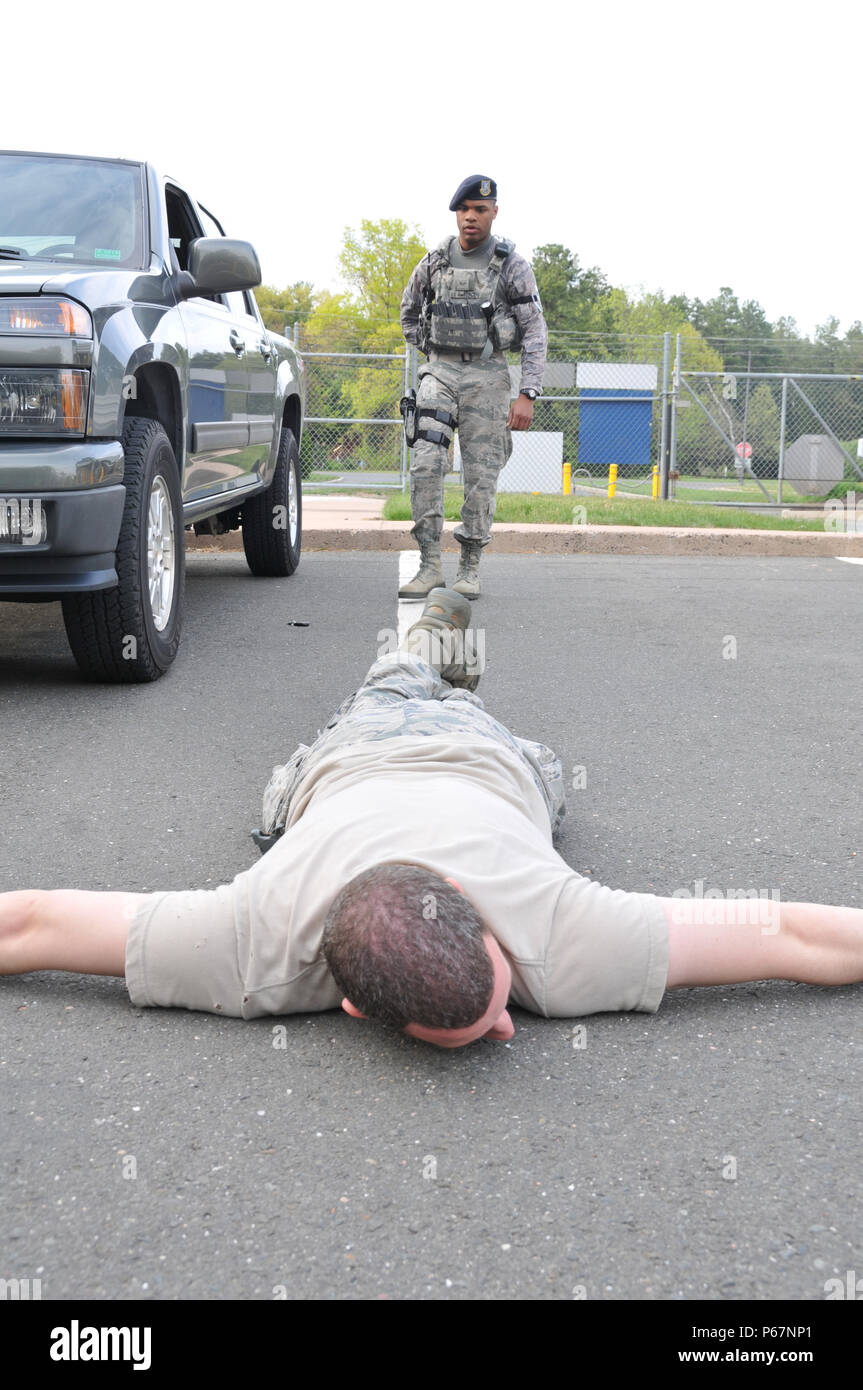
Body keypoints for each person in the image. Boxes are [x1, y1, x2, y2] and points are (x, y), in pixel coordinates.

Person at [2, 590, 863, 1050]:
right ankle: (423, 659)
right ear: (346, 1005)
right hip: (468, 764)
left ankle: (421, 653)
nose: (506, 1025)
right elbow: (786, 936)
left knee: (362, 727)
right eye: (497, 1020)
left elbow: (788, 936)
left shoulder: (246, 943)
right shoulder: (560, 945)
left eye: (486, 1011)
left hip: (402, 755)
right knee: (477, 752)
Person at [398, 176, 548, 600]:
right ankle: (429, 564)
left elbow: (535, 332)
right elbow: (408, 313)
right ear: (456, 214)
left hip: (489, 376)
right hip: (440, 373)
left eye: (480, 209)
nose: (470, 217)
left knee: (481, 474)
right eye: (464, 209)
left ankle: (470, 565)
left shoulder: (513, 265)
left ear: (494, 212)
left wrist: (527, 392)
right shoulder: (434, 262)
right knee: (426, 462)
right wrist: (432, 352)